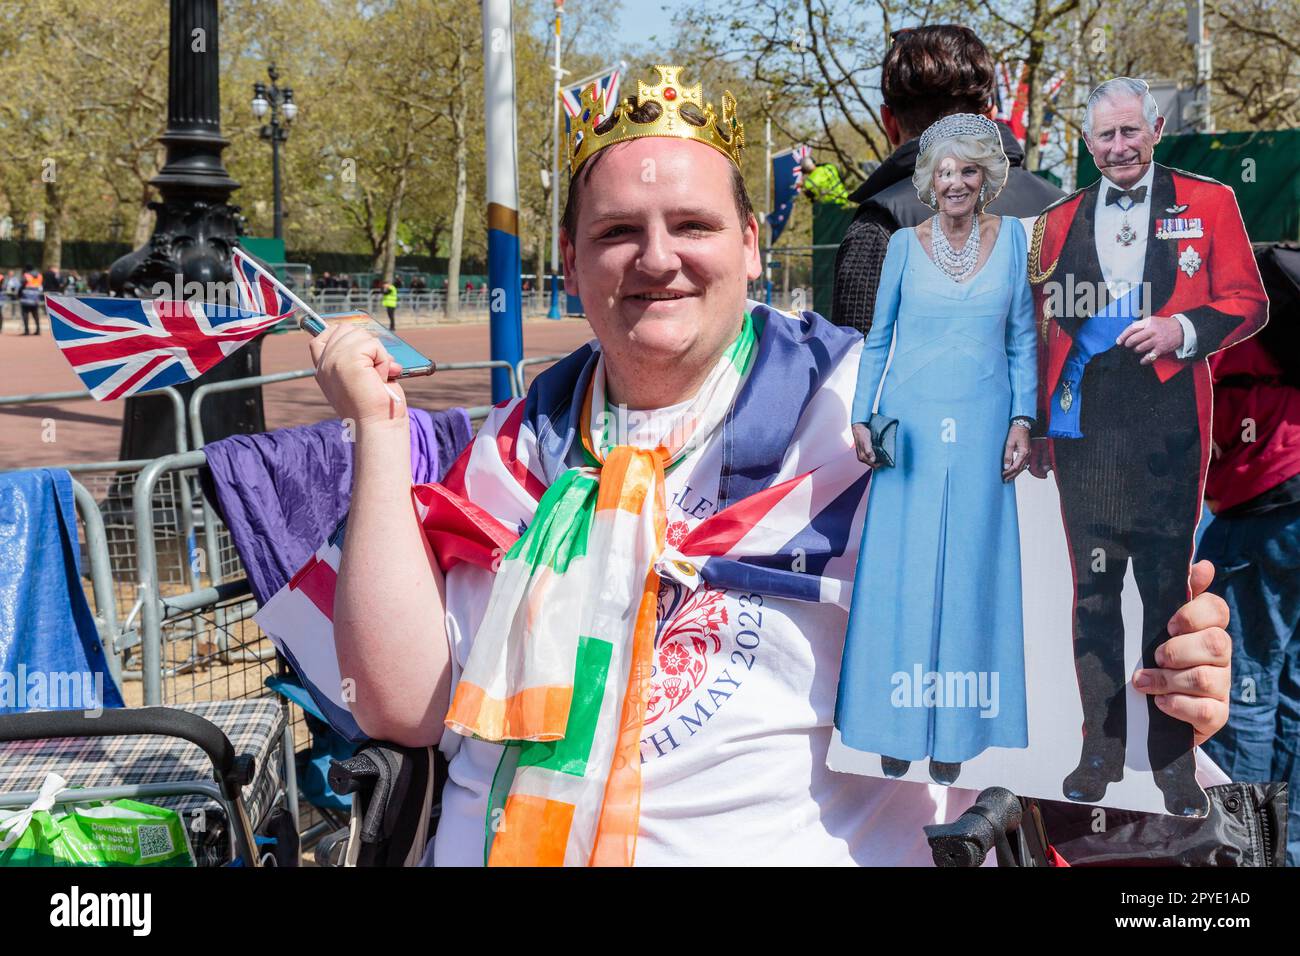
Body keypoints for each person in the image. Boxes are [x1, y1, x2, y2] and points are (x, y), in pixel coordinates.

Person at [307, 65, 1234, 866]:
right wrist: (380, 435)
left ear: (751, 246)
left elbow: (1072, 642)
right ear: (571, 260)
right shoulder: (514, 451)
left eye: (693, 224)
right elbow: (400, 708)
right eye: (618, 230)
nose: (657, 258)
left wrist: (1168, 680)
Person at [1027, 77, 1268, 815]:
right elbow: (1038, 331)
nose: (1119, 146)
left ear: (1155, 130)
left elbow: (1248, 302)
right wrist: (1035, 422)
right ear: (1088, 142)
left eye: (1131, 131)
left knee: (1166, 593)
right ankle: (1098, 753)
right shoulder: (1056, 220)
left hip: (1168, 422)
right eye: (1105, 135)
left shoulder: (1210, 202)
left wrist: (1181, 329)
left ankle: (1172, 766)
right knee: (1093, 594)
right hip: (1085, 428)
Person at [835, 114, 1036, 784]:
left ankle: (957, 733)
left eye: (968, 170)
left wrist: (1023, 418)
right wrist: (861, 417)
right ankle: (893, 727)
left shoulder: (1014, 240)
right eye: (944, 171)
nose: (955, 182)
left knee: (973, 574)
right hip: (910, 427)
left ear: (986, 178)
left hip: (984, 425)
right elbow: (878, 338)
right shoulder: (901, 245)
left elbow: (1022, 339)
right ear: (929, 180)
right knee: (904, 574)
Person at [832, 25, 1063, 335]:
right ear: (990, 116)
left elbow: (856, 361)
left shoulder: (881, 228)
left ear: (889, 123)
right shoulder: (1071, 210)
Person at [19, 266, 42, 335]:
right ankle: (38, 330)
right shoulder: (39, 275)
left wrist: (19, 294)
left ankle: (27, 331)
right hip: (35, 297)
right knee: (35, 314)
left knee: (25, 314)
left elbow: (22, 286)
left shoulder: (26, 275)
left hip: (26, 297)